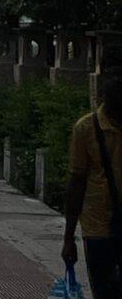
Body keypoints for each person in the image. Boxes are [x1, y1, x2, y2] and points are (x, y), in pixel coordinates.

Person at [63, 47, 122, 298]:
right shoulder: (86, 129)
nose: (117, 84)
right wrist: (69, 237)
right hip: (98, 229)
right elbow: (76, 183)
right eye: (113, 77)